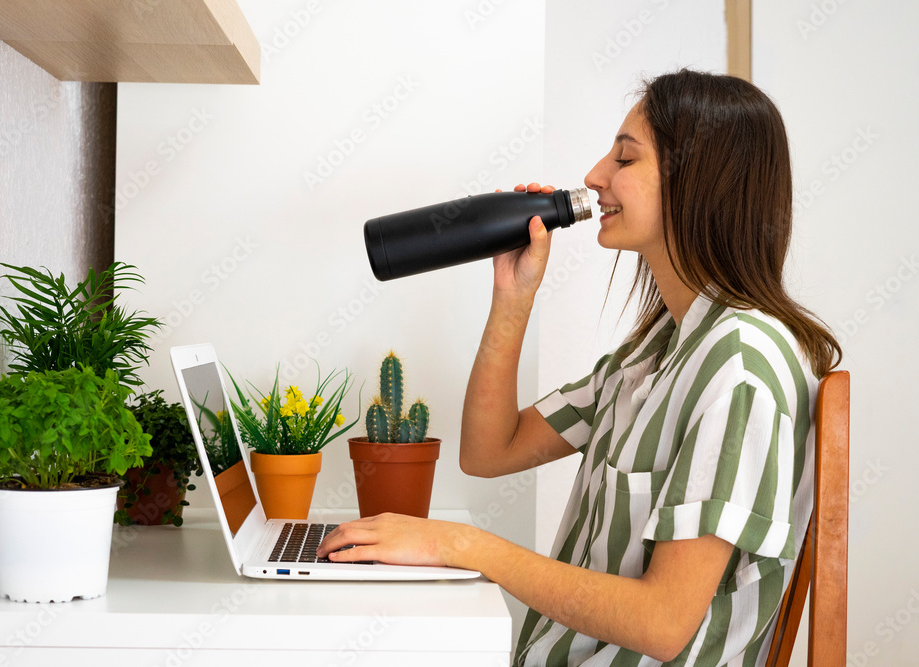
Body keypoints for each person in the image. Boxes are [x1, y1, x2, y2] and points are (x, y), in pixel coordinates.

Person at [317, 69, 841, 665]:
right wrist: (513, 298)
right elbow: (490, 452)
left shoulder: (739, 367)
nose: (594, 176)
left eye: (625, 157)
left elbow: (664, 622)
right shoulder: (658, 352)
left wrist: (458, 544)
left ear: (697, 183)